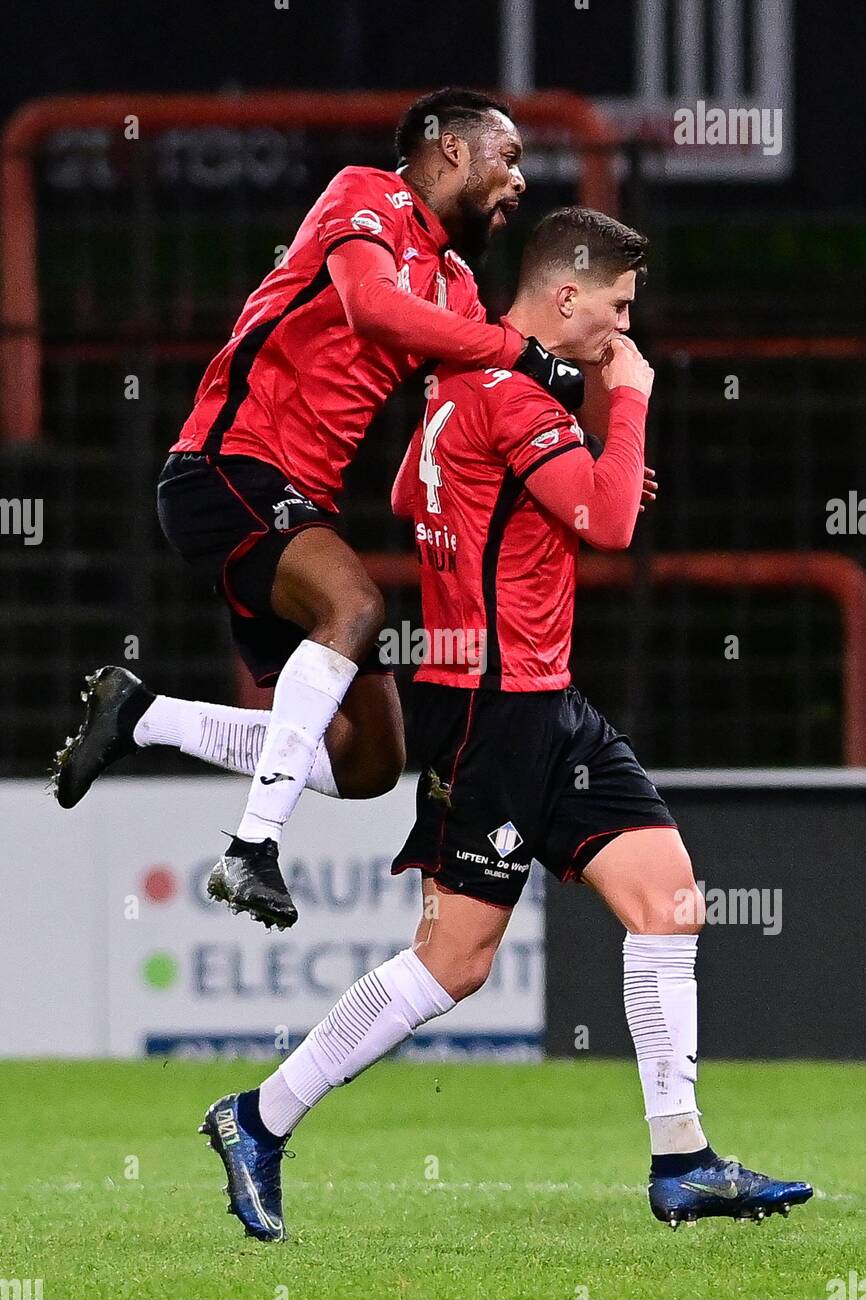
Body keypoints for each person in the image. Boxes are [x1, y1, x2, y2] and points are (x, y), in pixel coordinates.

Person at [194, 206, 812, 1239]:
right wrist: (628, 410)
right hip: (491, 711)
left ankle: (682, 1160)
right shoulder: (524, 394)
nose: (621, 334)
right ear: (564, 295)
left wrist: (552, 483)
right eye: (615, 310)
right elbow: (609, 523)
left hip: (546, 699)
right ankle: (257, 1116)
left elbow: (408, 488)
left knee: (666, 904)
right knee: (454, 963)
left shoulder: (456, 385)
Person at [51, 88, 583, 933]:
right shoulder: (365, 194)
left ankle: (141, 716)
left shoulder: (455, 285)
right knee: (358, 606)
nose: (520, 182)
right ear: (447, 151)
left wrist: (585, 423)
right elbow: (373, 306)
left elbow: (472, 398)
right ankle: (251, 850)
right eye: (508, 158)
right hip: (224, 466)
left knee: (372, 760)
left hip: (297, 505)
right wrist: (518, 350)